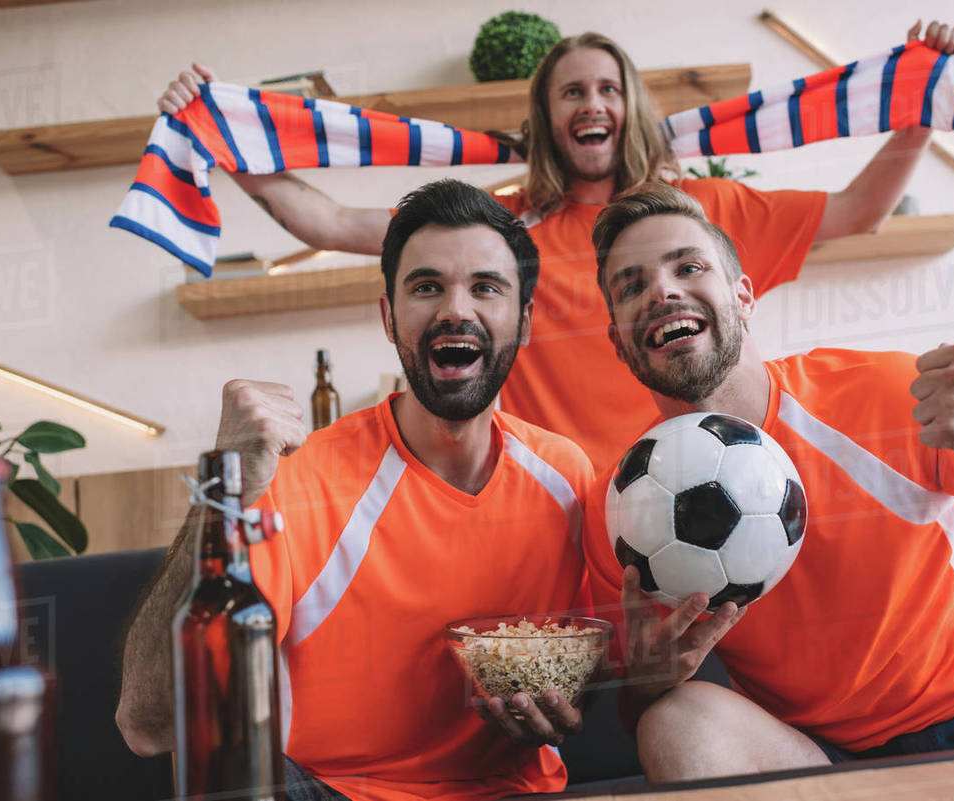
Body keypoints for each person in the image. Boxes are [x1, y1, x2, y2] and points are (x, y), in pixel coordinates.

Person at [155, 21, 954, 472]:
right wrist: (220, 137)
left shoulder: (702, 214)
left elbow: (861, 208)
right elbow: (330, 223)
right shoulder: (499, 231)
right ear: (547, 118)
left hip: (713, 488)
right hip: (563, 508)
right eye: (571, 91)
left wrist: (923, 108)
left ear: (631, 109)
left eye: (609, 88)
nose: (593, 103)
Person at [581, 182, 954, 780]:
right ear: (618, 342)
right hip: (828, 769)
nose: (663, 291)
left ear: (744, 296)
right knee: (675, 724)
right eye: (632, 285)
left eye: (688, 266)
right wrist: (648, 683)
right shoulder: (622, 509)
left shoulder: (892, 394)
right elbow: (636, 710)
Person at [116, 180, 596, 801]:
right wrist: (223, 485)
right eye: (427, 286)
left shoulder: (567, 478)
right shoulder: (296, 479)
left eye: (486, 287)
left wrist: (577, 707)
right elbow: (146, 725)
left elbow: (602, 674)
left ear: (525, 321)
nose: (456, 309)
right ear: (388, 317)